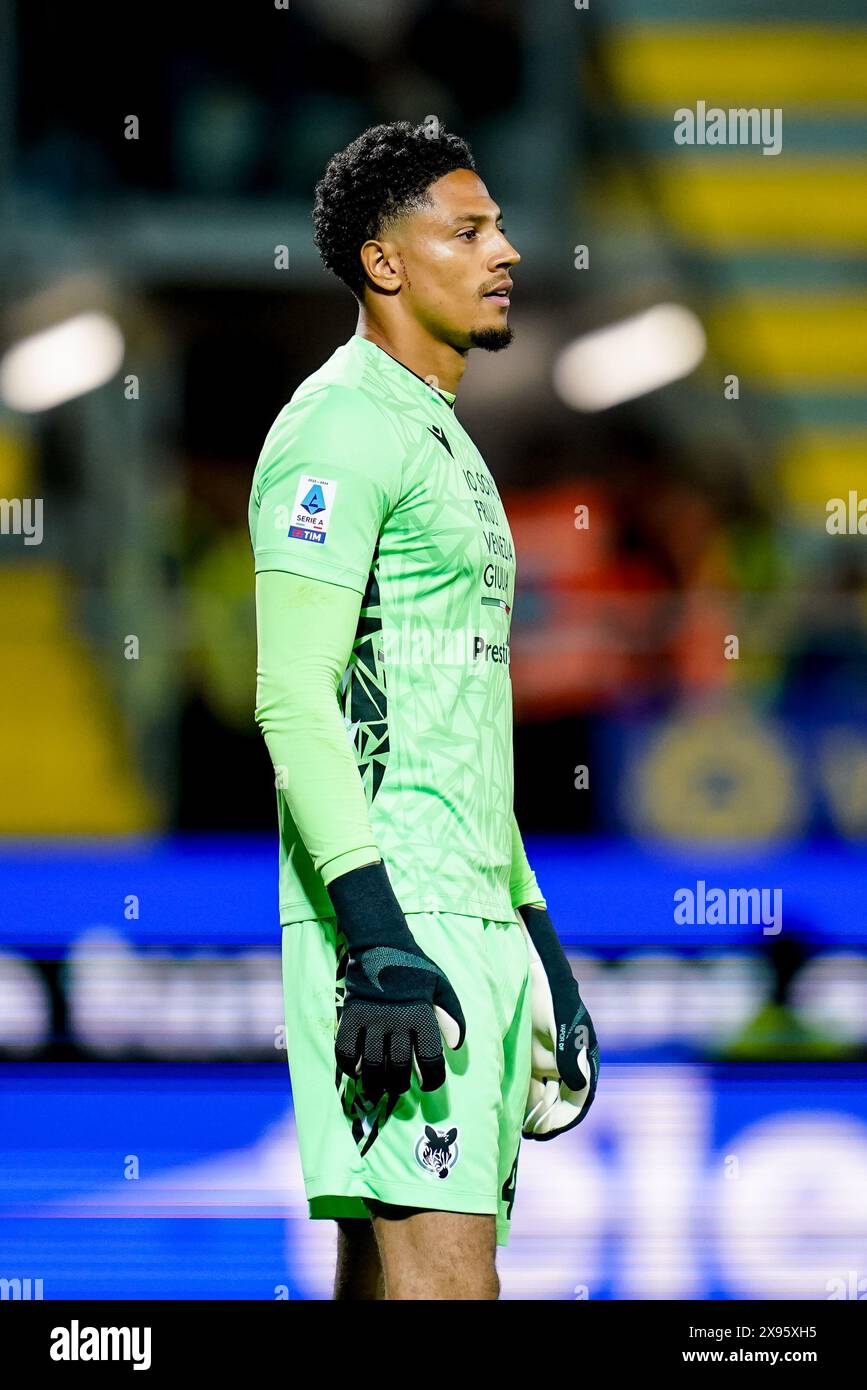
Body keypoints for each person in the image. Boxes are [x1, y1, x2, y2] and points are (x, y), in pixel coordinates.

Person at [248, 121, 599, 1301]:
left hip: (468, 911)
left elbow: (458, 715)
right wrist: (378, 931)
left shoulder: (442, 438)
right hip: (396, 917)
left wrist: (534, 925)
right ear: (384, 262)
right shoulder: (337, 426)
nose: (506, 250)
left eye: (498, 224)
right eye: (469, 229)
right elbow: (292, 694)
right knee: (447, 1284)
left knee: (391, 1279)